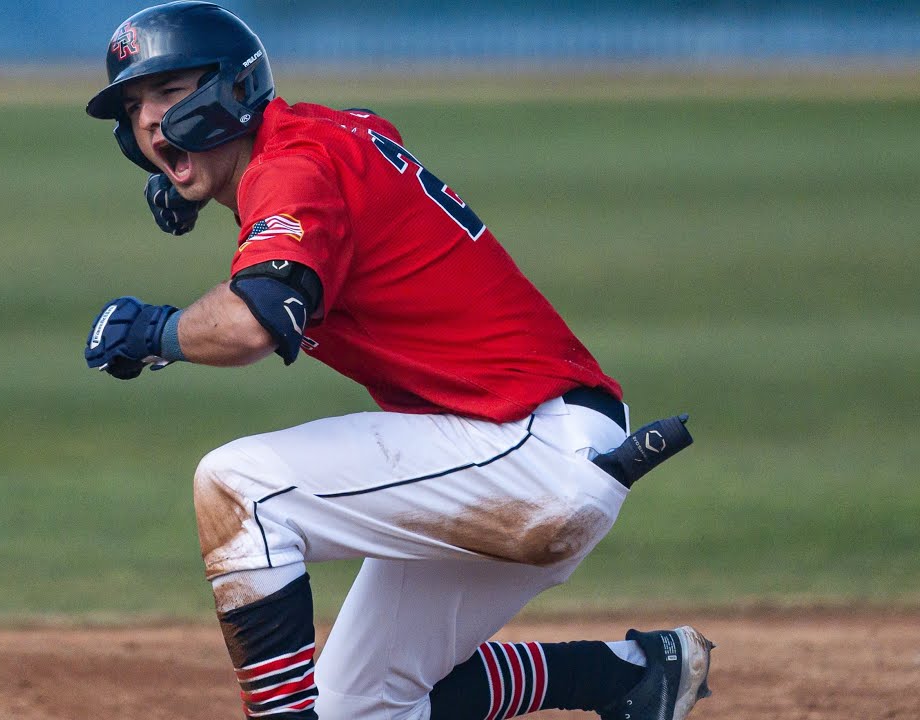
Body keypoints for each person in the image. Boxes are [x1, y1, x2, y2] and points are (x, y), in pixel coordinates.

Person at [82, 3, 714, 719]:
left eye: (170, 92)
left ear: (232, 89)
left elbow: (255, 320)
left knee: (240, 487)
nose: (149, 121)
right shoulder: (315, 141)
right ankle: (626, 674)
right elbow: (371, 123)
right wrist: (214, 177)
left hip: (529, 444)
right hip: (520, 455)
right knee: (364, 704)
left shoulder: (292, 168)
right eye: (134, 105)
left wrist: (156, 333)